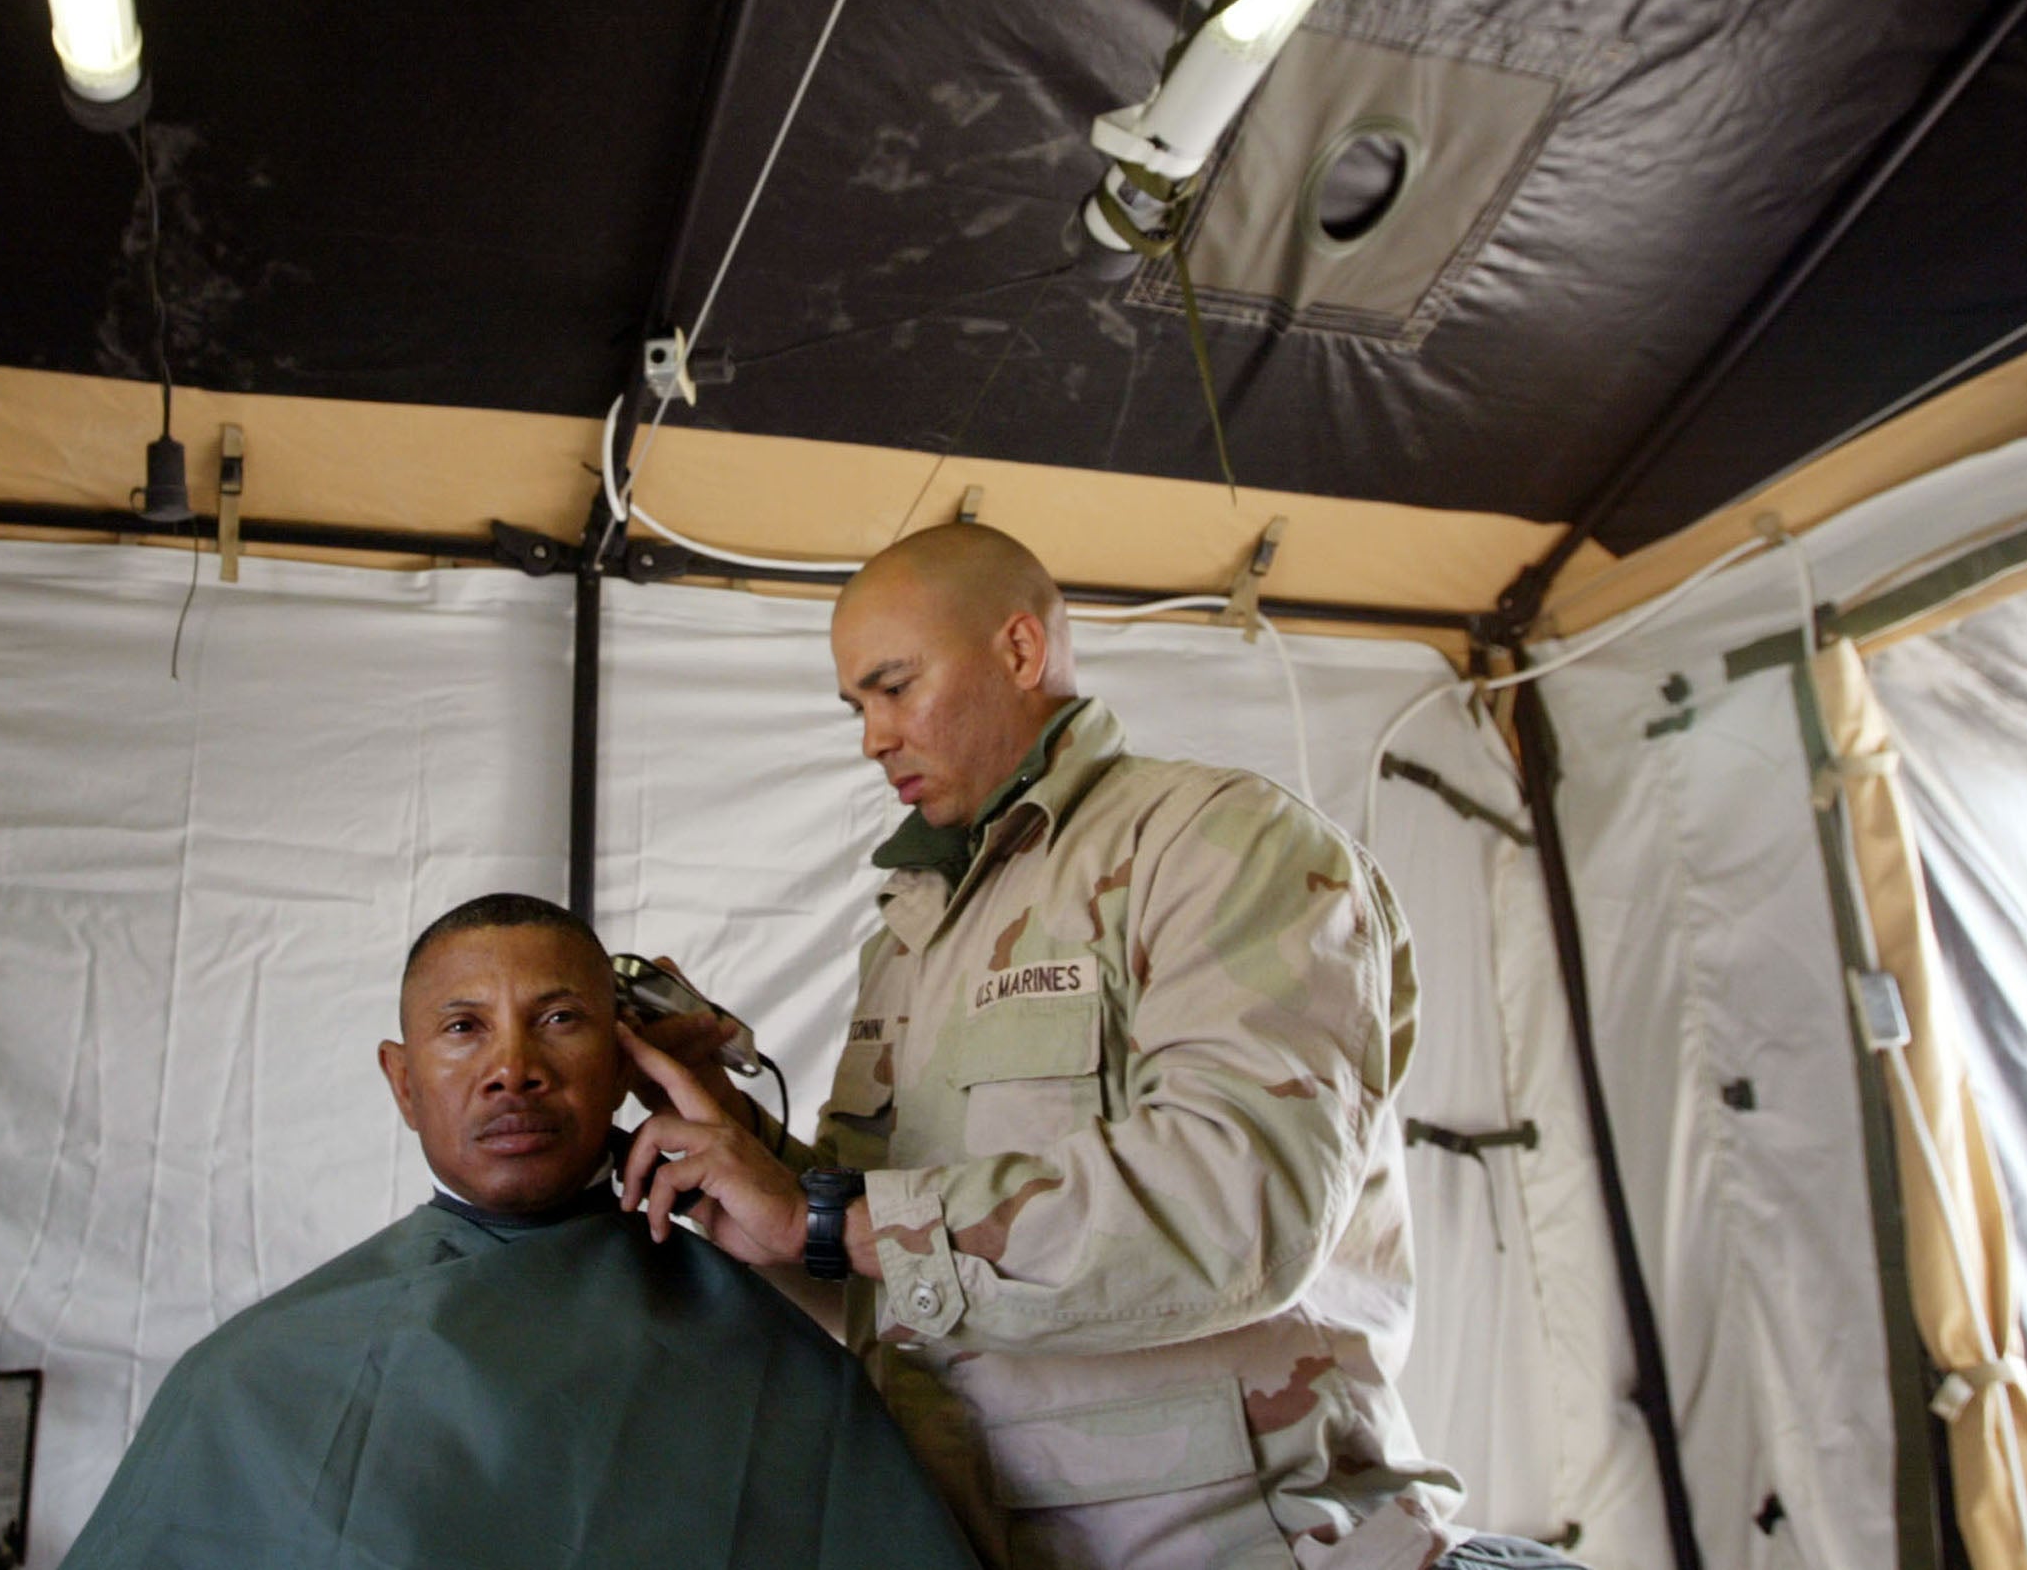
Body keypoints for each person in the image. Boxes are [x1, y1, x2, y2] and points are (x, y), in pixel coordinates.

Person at [621, 525, 1567, 1570]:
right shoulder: (910, 935)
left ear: (1021, 651)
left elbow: (1237, 1206)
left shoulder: (1218, 844)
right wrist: (740, 1146)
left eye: (894, 688)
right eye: (858, 707)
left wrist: (828, 1219)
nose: (874, 739)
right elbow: (892, 1282)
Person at [62, 893, 977, 1570]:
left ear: (625, 1062)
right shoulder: (248, 1382)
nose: (513, 1068)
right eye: (464, 1027)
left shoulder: (769, 1360)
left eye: (559, 1020)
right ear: (403, 1082)